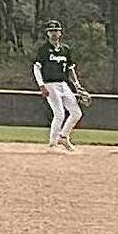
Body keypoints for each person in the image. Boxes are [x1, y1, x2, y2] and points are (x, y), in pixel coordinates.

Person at [32, 20, 87, 151]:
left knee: (76, 113)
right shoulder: (44, 50)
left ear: (60, 33)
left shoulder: (65, 50)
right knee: (59, 113)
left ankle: (63, 136)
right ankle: (52, 143)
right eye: (51, 31)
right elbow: (36, 68)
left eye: (56, 31)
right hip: (50, 84)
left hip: (63, 84)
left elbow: (70, 69)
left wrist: (77, 86)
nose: (54, 33)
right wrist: (41, 85)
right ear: (47, 34)